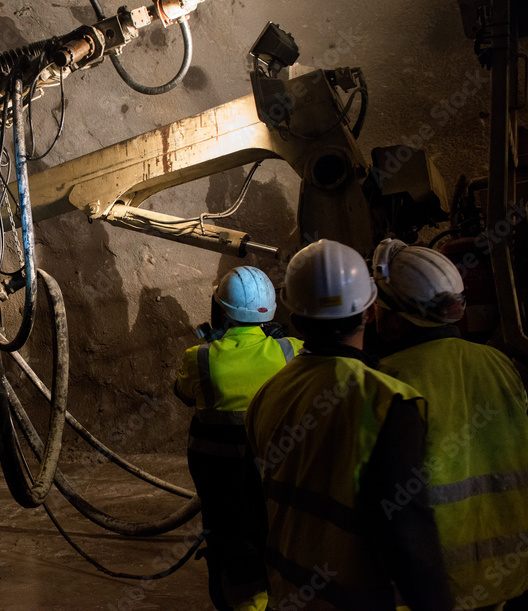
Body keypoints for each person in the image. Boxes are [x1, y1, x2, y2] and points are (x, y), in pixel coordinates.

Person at [244, 239, 452, 610]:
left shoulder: (267, 395)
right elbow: (408, 535)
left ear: (293, 318)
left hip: (287, 593)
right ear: (370, 312)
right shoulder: (388, 401)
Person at [372, 238, 528, 610]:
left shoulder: (387, 380)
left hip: (434, 590)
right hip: (509, 580)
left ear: (395, 318)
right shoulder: (500, 363)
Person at [175, 266, 303, 611]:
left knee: (237, 572)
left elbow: (183, 393)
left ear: (220, 310)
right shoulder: (292, 351)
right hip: (280, 486)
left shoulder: (199, 358)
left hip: (224, 489)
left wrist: (212, 341)